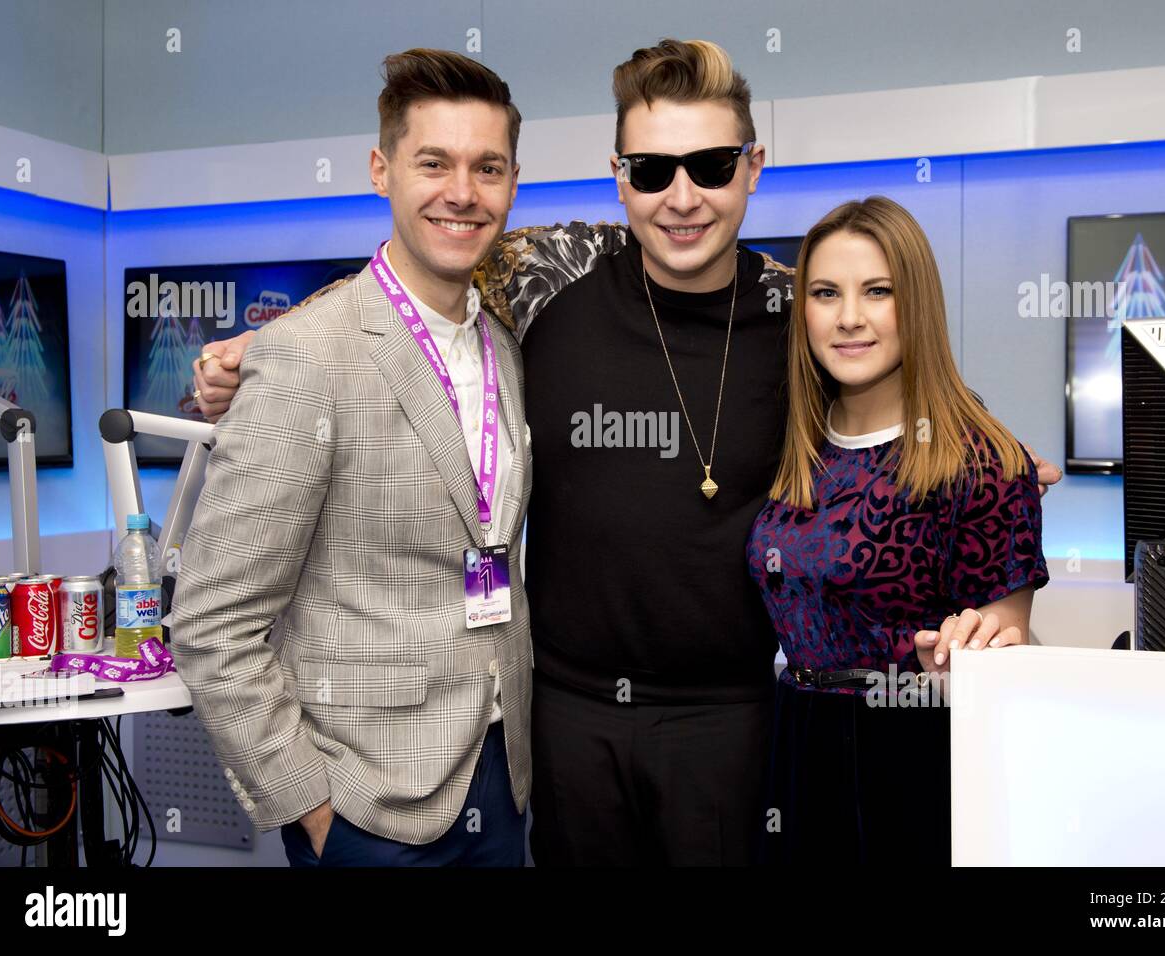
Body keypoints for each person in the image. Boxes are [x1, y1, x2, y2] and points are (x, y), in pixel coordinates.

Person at [192, 39, 1062, 867]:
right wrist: (254, 354)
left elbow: (899, 365)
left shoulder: (796, 310)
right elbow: (417, 277)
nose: (682, 195)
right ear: (619, 180)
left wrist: (990, 454)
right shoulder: (545, 278)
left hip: (738, 726)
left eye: (712, 166)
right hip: (565, 723)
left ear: (752, 167)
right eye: (651, 170)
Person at [170, 49, 534, 867]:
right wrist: (311, 806)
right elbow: (211, 619)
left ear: (513, 181)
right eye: (432, 162)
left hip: (502, 780)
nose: (462, 193)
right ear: (381, 170)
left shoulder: (506, 350)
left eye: (489, 168)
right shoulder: (305, 355)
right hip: (367, 809)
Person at [748, 196, 1049, 864]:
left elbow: (1003, 657)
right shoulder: (795, 447)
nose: (849, 317)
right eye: (826, 293)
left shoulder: (984, 462)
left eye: (877, 291)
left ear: (915, 304)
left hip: (915, 755)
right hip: (794, 745)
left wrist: (966, 659)